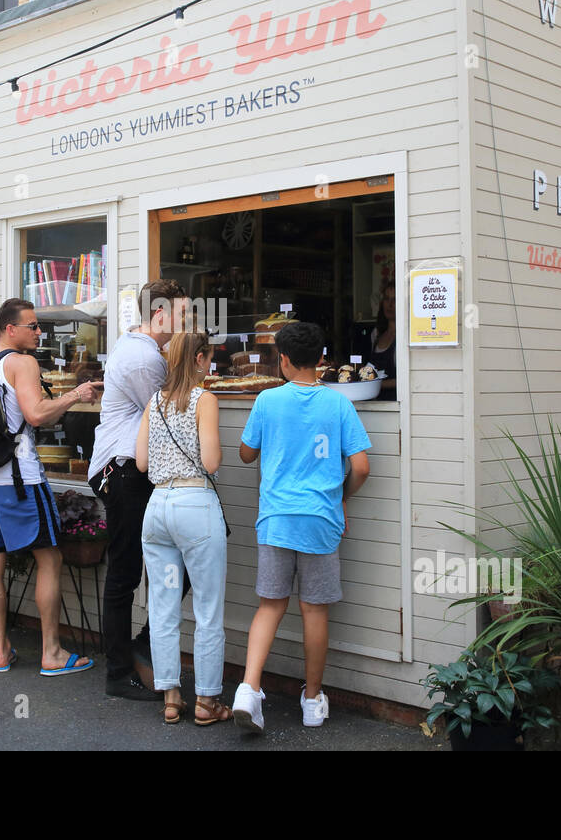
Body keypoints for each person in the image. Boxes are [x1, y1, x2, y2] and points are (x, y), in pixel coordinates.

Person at [232, 321, 371, 732]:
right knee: (314, 610)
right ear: (323, 360)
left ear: (284, 360)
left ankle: (248, 689)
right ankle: (312, 700)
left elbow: (244, 454)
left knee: (270, 605)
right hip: (321, 520)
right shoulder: (340, 404)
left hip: (276, 517)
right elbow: (361, 466)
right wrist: (342, 495)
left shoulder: (268, 400)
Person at [0, 299, 102, 675]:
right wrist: (77, 394)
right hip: (19, 478)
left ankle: (1, 652)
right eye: (33, 326)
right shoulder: (21, 362)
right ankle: (52, 654)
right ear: (11, 329)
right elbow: (36, 413)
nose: (39, 332)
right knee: (50, 558)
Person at [87, 279, 188, 700]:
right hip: (125, 473)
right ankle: (119, 672)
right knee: (126, 573)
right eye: (184, 314)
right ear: (161, 314)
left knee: (174, 564)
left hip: (133, 473)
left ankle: (139, 648)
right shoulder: (146, 359)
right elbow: (171, 416)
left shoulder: (142, 349)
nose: (188, 322)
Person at [134, 331, 230, 725]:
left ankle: (172, 696)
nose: (210, 364)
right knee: (207, 608)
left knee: (162, 605)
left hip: (157, 509)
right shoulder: (204, 399)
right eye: (208, 357)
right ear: (199, 359)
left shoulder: (154, 401)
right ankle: (207, 702)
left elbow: (141, 462)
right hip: (194, 506)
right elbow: (210, 461)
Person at [367, 281, 397, 401]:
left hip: (396, 404)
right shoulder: (376, 333)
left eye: (395, 299)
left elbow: (407, 379)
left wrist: (375, 384)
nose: (390, 304)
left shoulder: (405, 336)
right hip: (375, 403)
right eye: (386, 299)